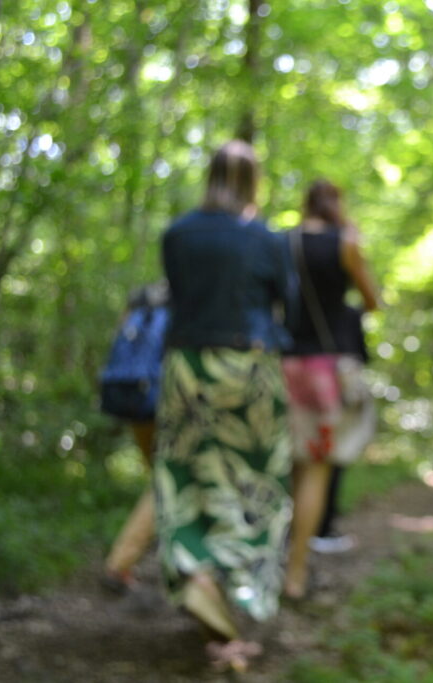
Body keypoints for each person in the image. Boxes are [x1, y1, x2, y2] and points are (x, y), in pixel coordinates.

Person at [154, 140, 294, 672]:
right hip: (249, 369)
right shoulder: (266, 240)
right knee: (255, 484)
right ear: (253, 183)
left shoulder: (177, 234)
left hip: (186, 368)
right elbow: (291, 306)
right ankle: (234, 593)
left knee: (187, 478)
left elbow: (178, 299)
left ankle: (199, 578)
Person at [281, 179, 379, 598]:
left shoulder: (282, 241)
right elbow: (372, 299)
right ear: (335, 203)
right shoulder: (346, 241)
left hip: (285, 364)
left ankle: (273, 556)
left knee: (287, 466)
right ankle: (296, 574)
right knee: (317, 469)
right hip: (327, 368)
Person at [101, 281, 169, 592]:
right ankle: (120, 564)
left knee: (161, 479)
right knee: (166, 484)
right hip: (164, 400)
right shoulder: (186, 298)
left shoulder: (140, 299)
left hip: (134, 398)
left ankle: (140, 559)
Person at [310, 305, 371, 555]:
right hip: (336, 385)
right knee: (330, 458)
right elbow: (362, 354)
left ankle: (300, 529)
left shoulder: (292, 299)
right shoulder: (349, 314)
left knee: (302, 459)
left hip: (295, 373)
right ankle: (322, 528)